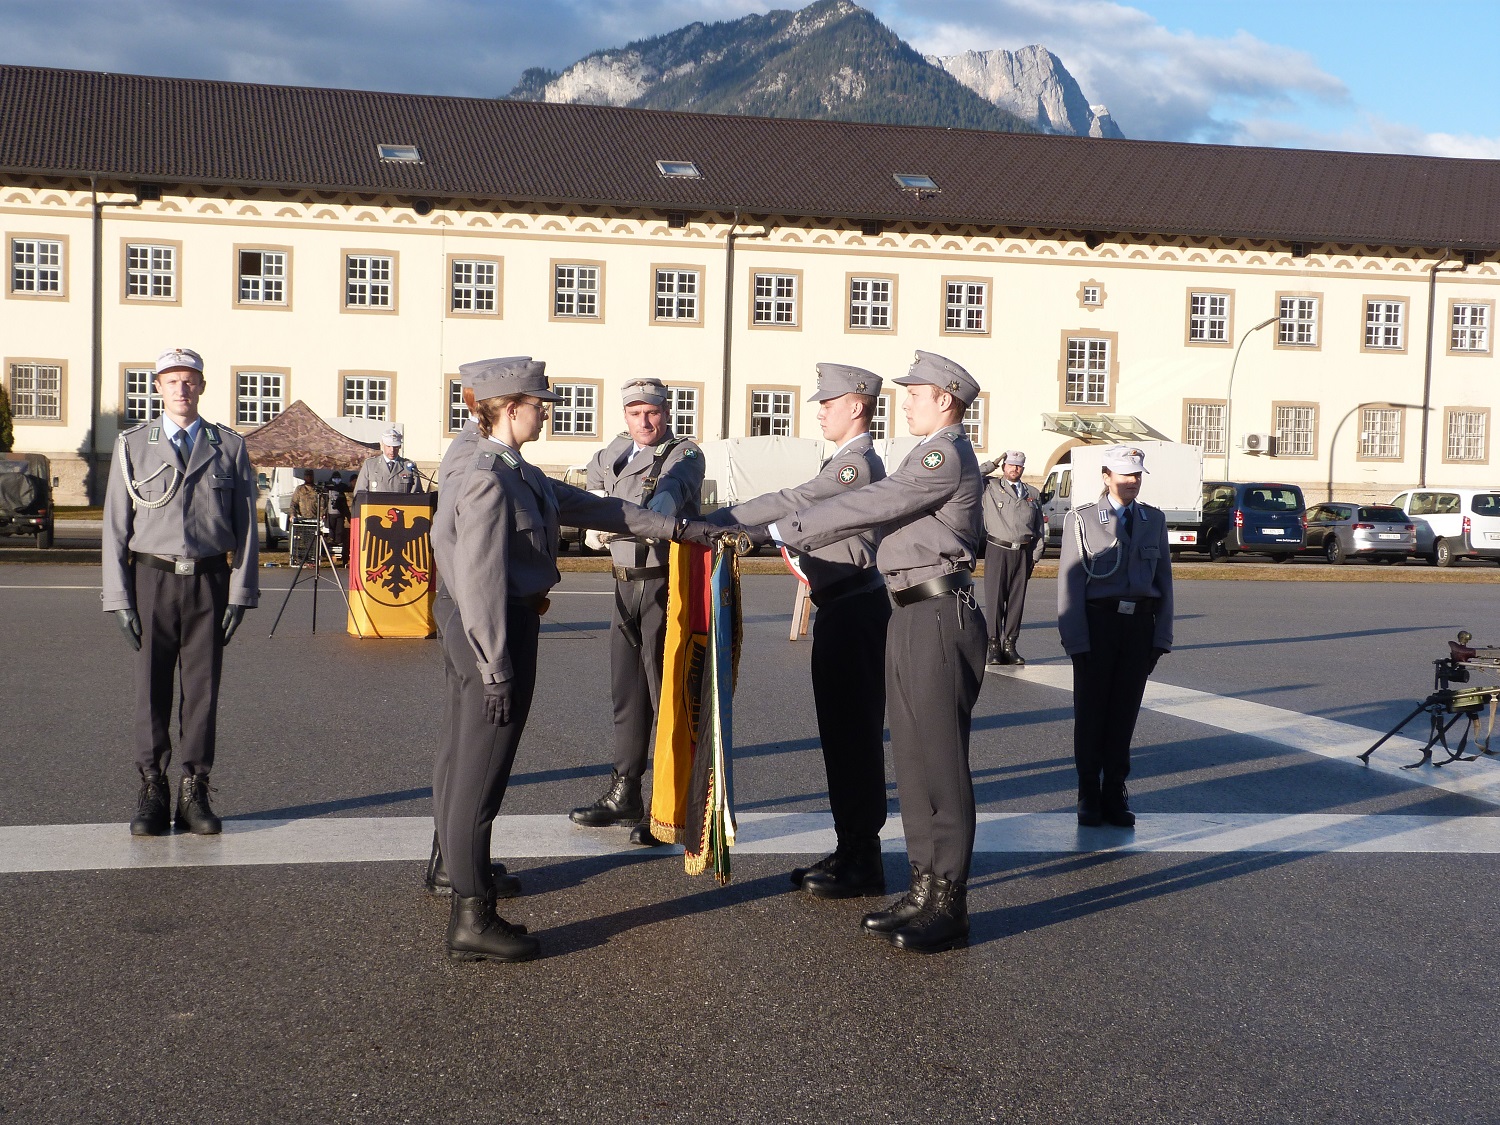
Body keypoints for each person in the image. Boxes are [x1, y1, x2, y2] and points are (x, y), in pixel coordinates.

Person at [433, 356, 707, 963]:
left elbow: (600, 509)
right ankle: (472, 916)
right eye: (539, 405)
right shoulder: (488, 476)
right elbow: (477, 582)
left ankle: (459, 877)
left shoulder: (512, 469)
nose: (547, 414)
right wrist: (494, 666)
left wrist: (680, 530)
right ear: (511, 409)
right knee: (480, 774)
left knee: (465, 762)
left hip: (496, 625)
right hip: (495, 631)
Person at [726, 350, 986, 955]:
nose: (906, 402)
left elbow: (870, 504)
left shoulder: (944, 454)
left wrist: (776, 530)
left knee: (941, 763)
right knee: (915, 761)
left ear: (944, 399)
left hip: (939, 611)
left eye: (915, 394)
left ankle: (948, 899)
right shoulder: (925, 452)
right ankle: (923, 887)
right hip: (912, 609)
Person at [704, 362, 890, 898]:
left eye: (828, 403)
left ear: (856, 406)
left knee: (853, 735)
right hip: (840, 606)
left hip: (854, 610)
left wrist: (723, 518)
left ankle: (863, 857)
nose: (821, 412)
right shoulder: (845, 460)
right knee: (839, 733)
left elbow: (795, 501)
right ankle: (850, 846)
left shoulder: (856, 466)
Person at [102, 347, 259, 837]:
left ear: (202, 387)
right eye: (172, 381)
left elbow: (247, 527)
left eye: (189, 380)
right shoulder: (133, 445)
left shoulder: (228, 446)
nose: (181, 389)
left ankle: (194, 789)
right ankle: (153, 787)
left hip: (210, 581)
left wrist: (241, 593)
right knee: (151, 689)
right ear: (158, 388)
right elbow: (115, 527)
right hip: (153, 579)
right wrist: (119, 598)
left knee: (202, 691)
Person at [569, 377, 704, 846]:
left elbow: (666, 497)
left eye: (652, 412)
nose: (644, 422)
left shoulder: (683, 454)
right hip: (623, 585)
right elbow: (593, 486)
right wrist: (595, 516)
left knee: (665, 696)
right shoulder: (613, 452)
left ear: (666, 412)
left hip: (664, 587)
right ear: (624, 414)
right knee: (626, 694)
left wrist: (625, 517)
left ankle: (670, 804)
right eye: (634, 413)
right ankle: (625, 791)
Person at [1056, 444, 1174, 829]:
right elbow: (1070, 582)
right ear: (1106, 477)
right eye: (1125, 475)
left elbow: (1164, 581)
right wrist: (1076, 640)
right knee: (1092, 713)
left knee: (1125, 713)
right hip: (1098, 625)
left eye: (1137, 475)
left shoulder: (1153, 520)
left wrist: (1161, 637)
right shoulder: (1082, 519)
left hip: (1138, 626)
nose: (1132, 482)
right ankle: (1089, 791)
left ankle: (1114, 790)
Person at [977, 450, 1046, 666]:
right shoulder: (990, 487)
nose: (1014, 469)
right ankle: (993, 645)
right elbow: (971, 475)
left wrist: (1035, 555)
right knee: (995, 600)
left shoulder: (1032, 493)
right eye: (1010, 464)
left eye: (1018, 466)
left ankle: (1010, 644)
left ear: (1023, 468)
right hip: (998, 549)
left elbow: (1039, 528)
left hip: (1023, 552)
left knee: (1017, 602)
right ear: (1004, 466)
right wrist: (992, 463)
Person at [355, 426, 423, 494]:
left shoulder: (408, 467)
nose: (392, 450)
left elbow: (417, 494)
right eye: (388, 446)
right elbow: (360, 493)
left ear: (400, 446)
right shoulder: (370, 465)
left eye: (395, 447)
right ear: (382, 445)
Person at [325, 472, 351, 560]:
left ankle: (339, 543)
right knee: (331, 529)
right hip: (330, 513)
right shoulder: (328, 487)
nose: (336, 480)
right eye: (335, 478)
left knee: (339, 530)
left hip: (340, 513)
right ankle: (331, 543)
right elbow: (324, 500)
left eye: (338, 478)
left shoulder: (343, 487)